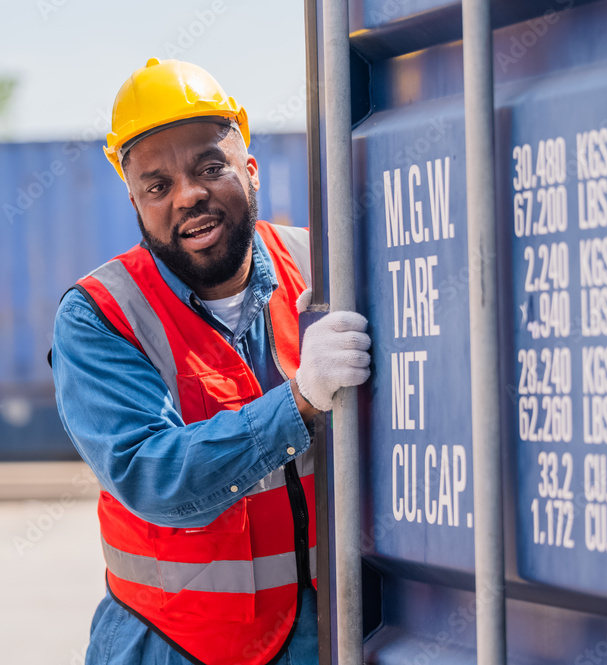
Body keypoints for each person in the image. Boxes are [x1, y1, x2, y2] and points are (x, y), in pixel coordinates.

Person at [50, 58, 372, 665]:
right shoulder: (100, 315)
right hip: (172, 643)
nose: (188, 195)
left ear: (249, 171)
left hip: (322, 634)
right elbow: (151, 475)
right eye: (157, 185)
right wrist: (300, 400)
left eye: (209, 167)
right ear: (136, 203)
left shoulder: (323, 264)